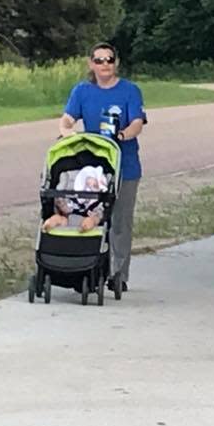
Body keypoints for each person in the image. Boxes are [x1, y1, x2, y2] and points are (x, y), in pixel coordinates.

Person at [57, 42, 146, 292]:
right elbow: (68, 117)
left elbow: (137, 122)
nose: (104, 64)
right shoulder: (82, 91)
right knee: (90, 214)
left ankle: (118, 273)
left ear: (116, 62)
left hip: (124, 164)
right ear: (91, 64)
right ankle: (87, 266)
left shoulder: (129, 90)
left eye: (109, 59)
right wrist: (66, 129)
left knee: (120, 221)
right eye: (99, 60)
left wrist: (124, 134)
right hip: (93, 166)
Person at [43, 166, 108, 233]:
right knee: (58, 218)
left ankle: (84, 227)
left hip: (87, 217)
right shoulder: (71, 189)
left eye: (95, 186)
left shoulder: (96, 200)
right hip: (67, 219)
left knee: (92, 220)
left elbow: (99, 213)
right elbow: (60, 201)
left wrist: (96, 216)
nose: (90, 187)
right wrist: (61, 204)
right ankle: (49, 223)